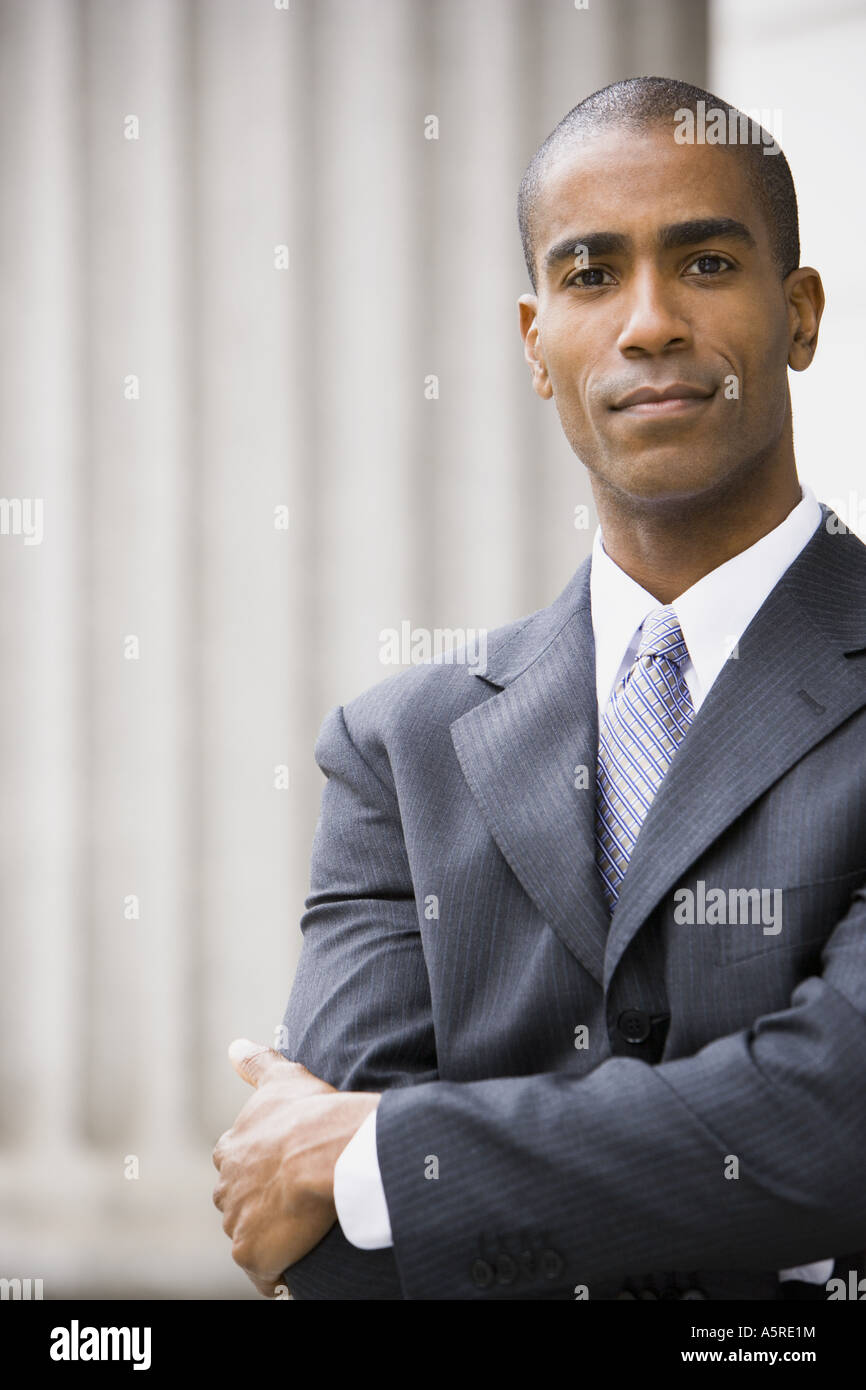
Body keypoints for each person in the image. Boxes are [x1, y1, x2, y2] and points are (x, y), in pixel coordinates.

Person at [212, 76, 866, 1301]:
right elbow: (338, 1264)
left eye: (706, 263)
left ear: (799, 315)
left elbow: (835, 1122)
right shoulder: (397, 749)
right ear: (532, 344)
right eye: (588, 274)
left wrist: (376, 1161)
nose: (648, 323)